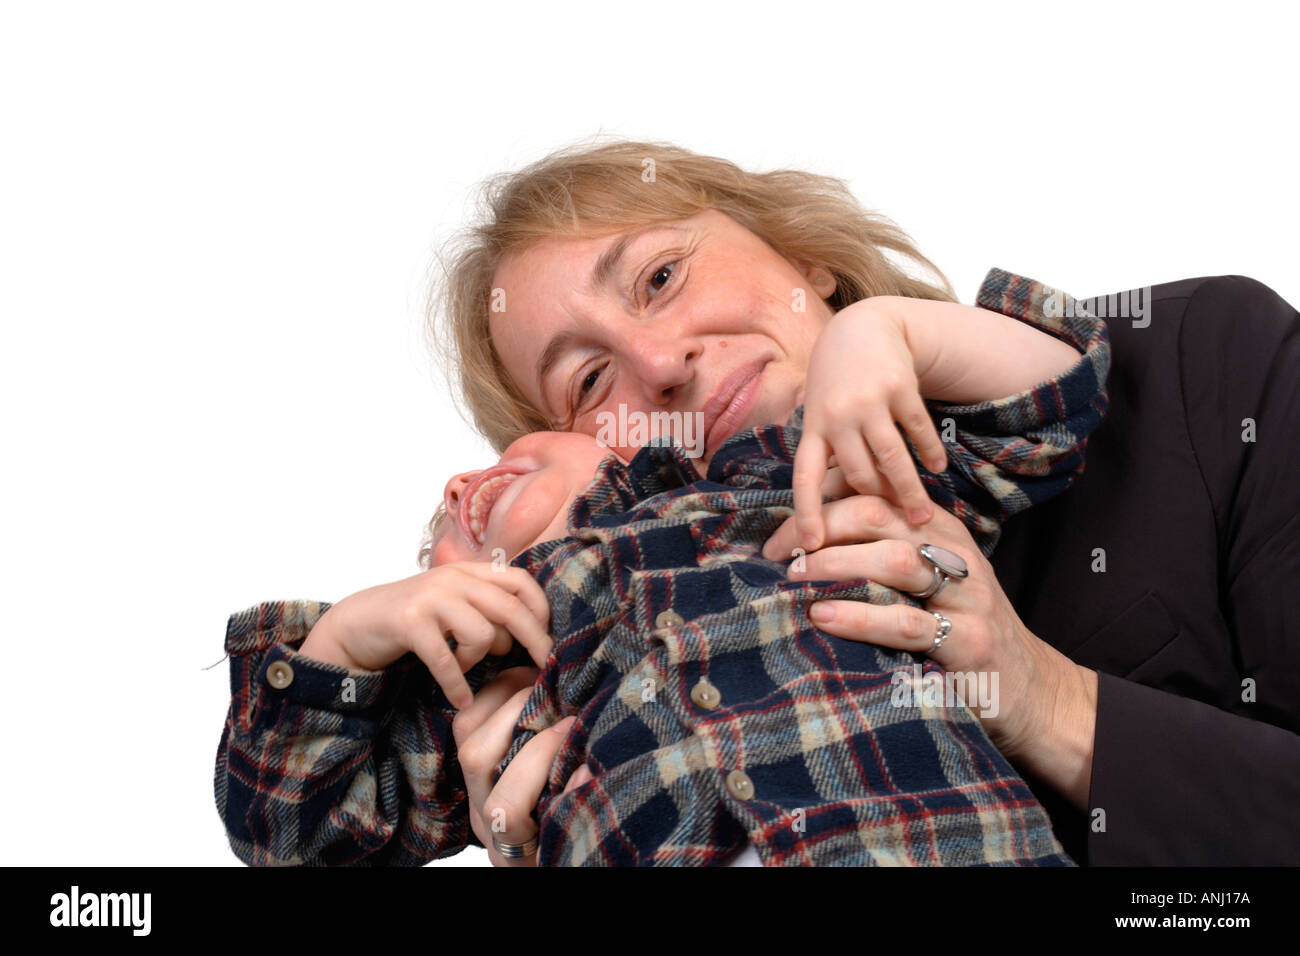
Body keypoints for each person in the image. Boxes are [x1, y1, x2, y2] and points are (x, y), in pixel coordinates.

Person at [430, 138, 1300, 865]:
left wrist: (1051, 702)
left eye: (660, 278)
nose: (659, 365)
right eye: (589, 379)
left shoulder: (1199, 365)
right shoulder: (613, 661)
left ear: (803, 255)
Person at [213, 265, 1108, 865]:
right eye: (434, 542)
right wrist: (341, 641)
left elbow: (1041, 409)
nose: (456, 488)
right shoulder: (494, 681)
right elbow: (292, 828)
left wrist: (887, 335)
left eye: (661, 277)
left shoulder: (781, 478)